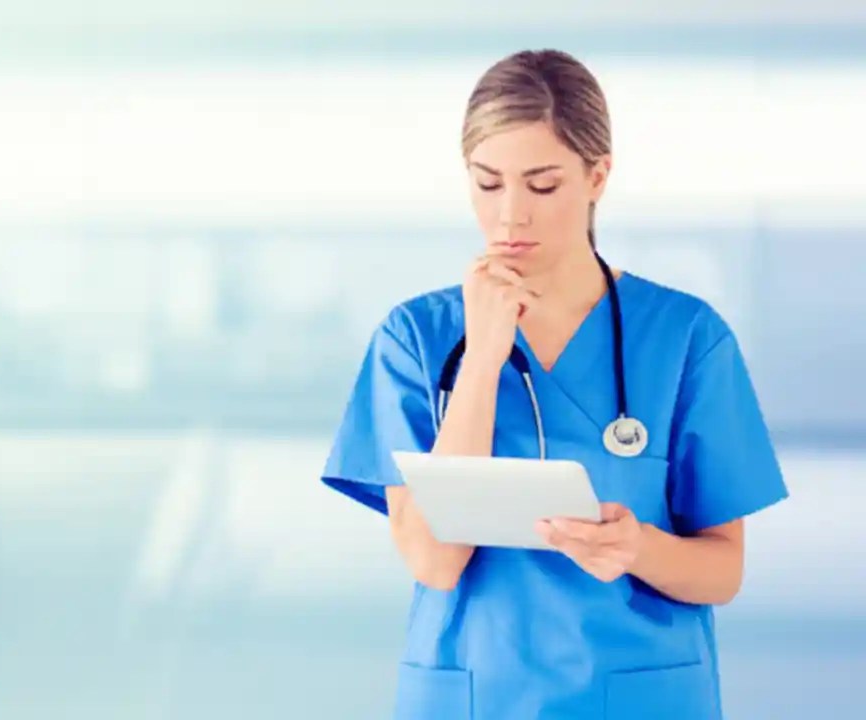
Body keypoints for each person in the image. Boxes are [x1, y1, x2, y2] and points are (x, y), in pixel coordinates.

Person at [319, 48, 789, 720]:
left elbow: (724, 568)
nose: (511, 216)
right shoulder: (416, 341)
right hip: (473, 697)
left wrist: (639, 548)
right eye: (488, 184)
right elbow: (434, 559)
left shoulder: (686, 337)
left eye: (542, 186)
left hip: (641, 697)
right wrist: (481, 359)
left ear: (597, 175)